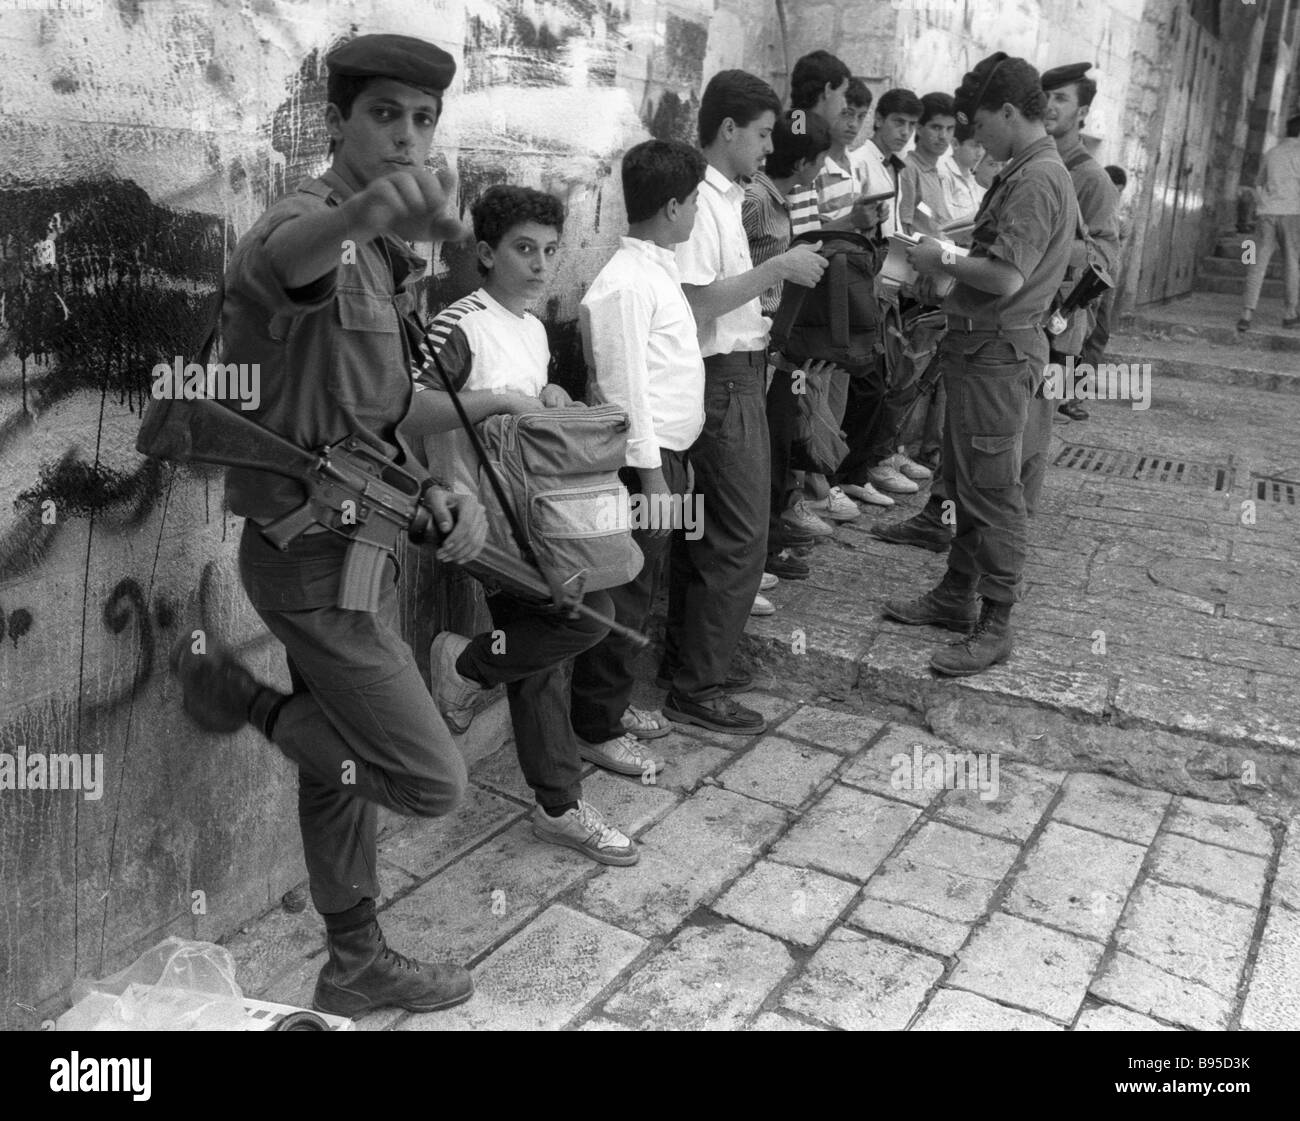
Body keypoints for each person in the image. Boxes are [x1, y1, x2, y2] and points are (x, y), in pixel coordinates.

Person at [168, 34, 488, 1018]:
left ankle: (354, 955)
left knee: (341, 772)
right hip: (308, 562)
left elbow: (371, 410)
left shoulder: (391, 255)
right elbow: (284, 264)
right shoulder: (312, 223)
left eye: (422, 118)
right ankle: (243, 701)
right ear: (339, 121)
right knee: (431, 778)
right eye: (383, 113)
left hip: (363, 542)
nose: (404, 135)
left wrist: (441, 487)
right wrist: (362, 210)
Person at [413, 185, 648, 867]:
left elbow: (529, 424)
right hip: (478, 516)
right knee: (579, 619)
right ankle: (466, 672)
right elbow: (401, 410)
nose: (542, 263)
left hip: (540, 517)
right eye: (524, 248)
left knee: (547, 646)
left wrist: (549, 397)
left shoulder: (534, 326)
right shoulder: (460, 321)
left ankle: (469, 671)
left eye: (551, 249)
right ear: (485, 253)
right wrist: (498, 400)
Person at [882, 52, 1076, 676]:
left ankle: (996, 622)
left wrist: (940, 257)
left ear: (1011, 112)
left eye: (980, 122)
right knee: (967, 481)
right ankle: (954, 595)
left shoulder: (1036, 179)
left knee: (994, 490)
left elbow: (1004, 274)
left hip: (997, 352)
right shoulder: (1027, 170)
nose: (972, 135)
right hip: (981, 350)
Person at [661, 69, 827, 735]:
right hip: (720, 374)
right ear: (727, 129)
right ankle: (698, 685)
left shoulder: (733, 195)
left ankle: (695, 663)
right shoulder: (700, 198)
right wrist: (775, 271)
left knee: (714, 536)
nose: (769, 147)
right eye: (761, 134)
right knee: (737, 538)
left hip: (740, 368)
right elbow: (695, 303)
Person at [567, 140, 707, 756]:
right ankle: (596, 727)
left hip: (665, 460)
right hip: (638, 467)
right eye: (697, 200)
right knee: (625, 594)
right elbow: (625, 394)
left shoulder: (655, 271)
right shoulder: (625, 285)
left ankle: (613, 706)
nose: (700, 211)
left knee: (640, 590)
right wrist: (653, 478)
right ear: (674, 206)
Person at [742, 111, 845, 577]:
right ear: (805, 162)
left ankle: (773, 533)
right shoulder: (757, 200)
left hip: (776, 339)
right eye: (821, 159)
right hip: (754, 339)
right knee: (764, 442)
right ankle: (756, 551)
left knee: (780, 436)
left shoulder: (783, 198)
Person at [836, 88, 925, 507]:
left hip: (889, 284)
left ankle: (867, 461)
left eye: (910, 125)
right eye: (897, 123)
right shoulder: (859, 163)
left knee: (887, 377)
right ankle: (851, 469)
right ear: (880, 122)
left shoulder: (897, 169)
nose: (904, 132)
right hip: (864, 280)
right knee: (864, 383)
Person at [1041, 62, 1121, 422]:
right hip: (1019, 316)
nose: (1048, 105)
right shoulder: (1034, 163)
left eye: (1060, 98)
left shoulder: (1091, 178)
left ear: (1083, 112)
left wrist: (1051, 246)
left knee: (1037, 431)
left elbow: (1105, 256)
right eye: (1044, 96)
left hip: (1058, 327)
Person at [1238, 113, 1300, 333]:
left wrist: (1262, 204)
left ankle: (1246, 314)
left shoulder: (1272, 153)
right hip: (1292, 213)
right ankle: (1290, 313)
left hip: (1267, 213)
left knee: (1257, 262)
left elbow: (1258, 184)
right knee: (1292, 262)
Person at [785, 50, 851, 238]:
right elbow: (793, 237)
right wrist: (851, 221)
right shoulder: (798, 135)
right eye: (843, 94)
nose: (845, 105)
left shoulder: (801, 126)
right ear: (828, 90)